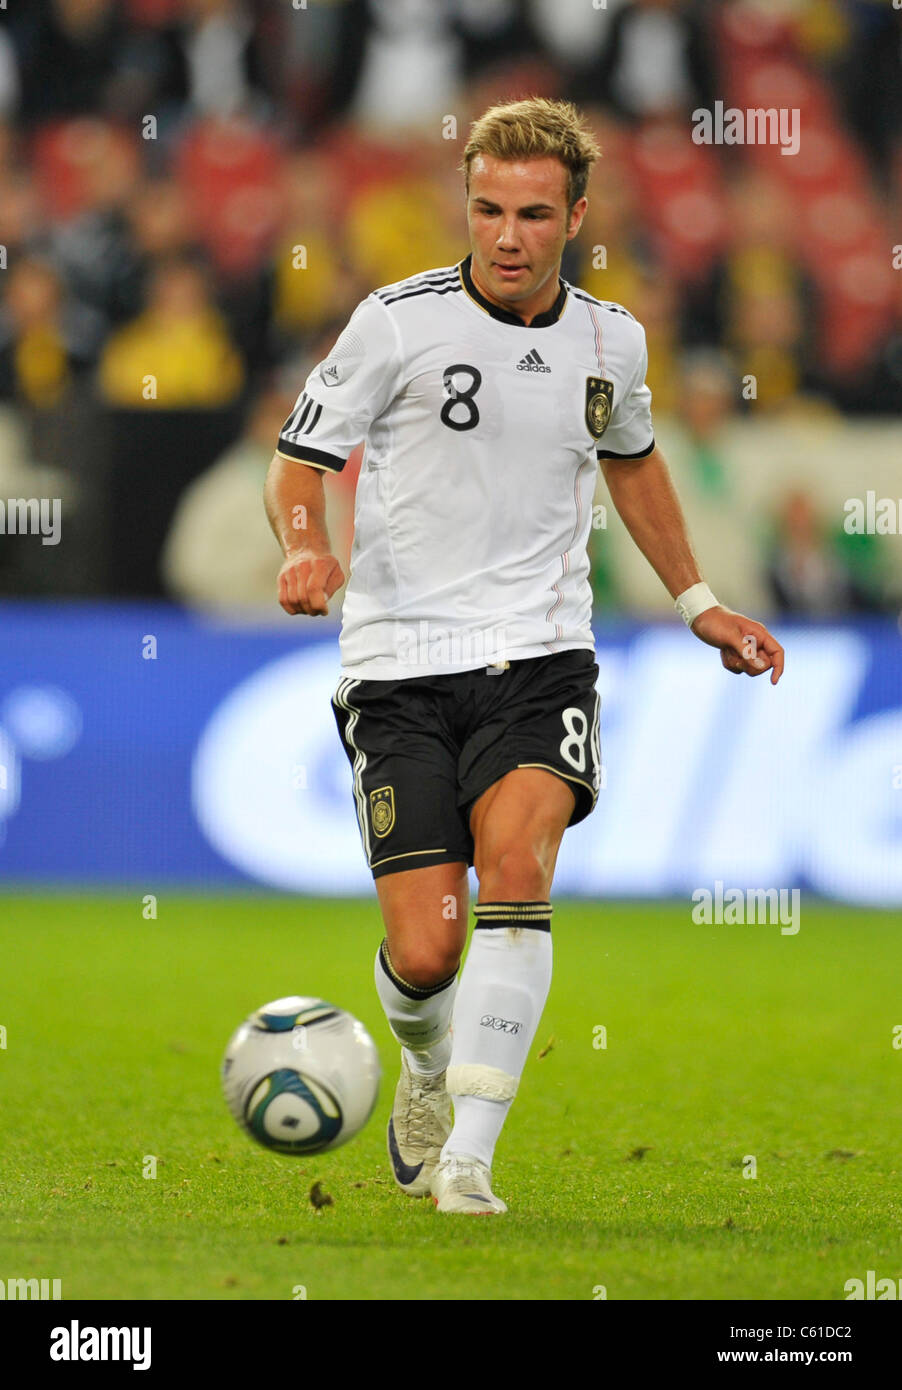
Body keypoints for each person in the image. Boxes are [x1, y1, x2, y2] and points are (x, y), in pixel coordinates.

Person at [264, 98, 784, 1215]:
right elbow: (298, 460)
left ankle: (469, 1157)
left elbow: (632, 461)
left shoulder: (611, 339)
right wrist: (305, 550)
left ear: (575, 216)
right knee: (424, 952)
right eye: (487, 209)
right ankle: (418, 1061)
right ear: (465, 204)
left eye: (532, 214)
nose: (505, 235)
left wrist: (695, 598)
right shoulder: (393, 323)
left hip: (541, 654)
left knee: (519, 869)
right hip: (398, 662)